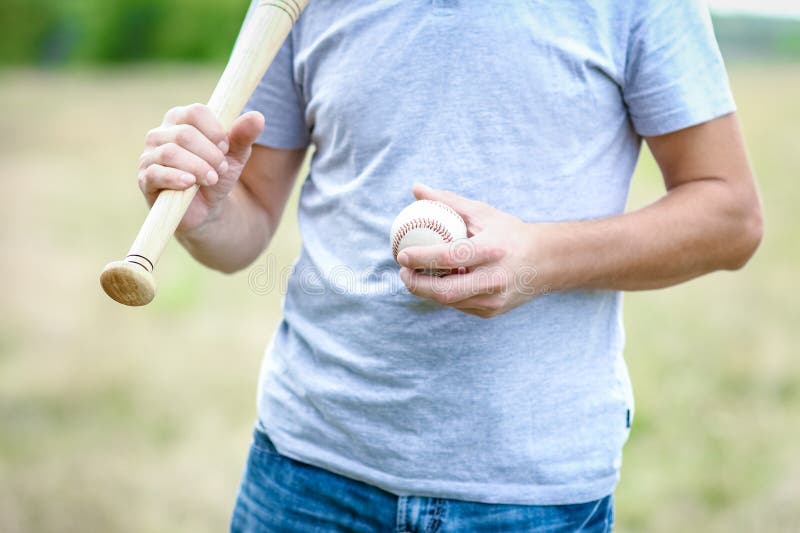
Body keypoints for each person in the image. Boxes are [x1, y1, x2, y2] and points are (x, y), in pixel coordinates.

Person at [136, 1, 762, 531]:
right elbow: (246, 225)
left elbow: (730, 215)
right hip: (305, 469)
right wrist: (207, 214)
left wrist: (542, 259)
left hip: (530, 495)